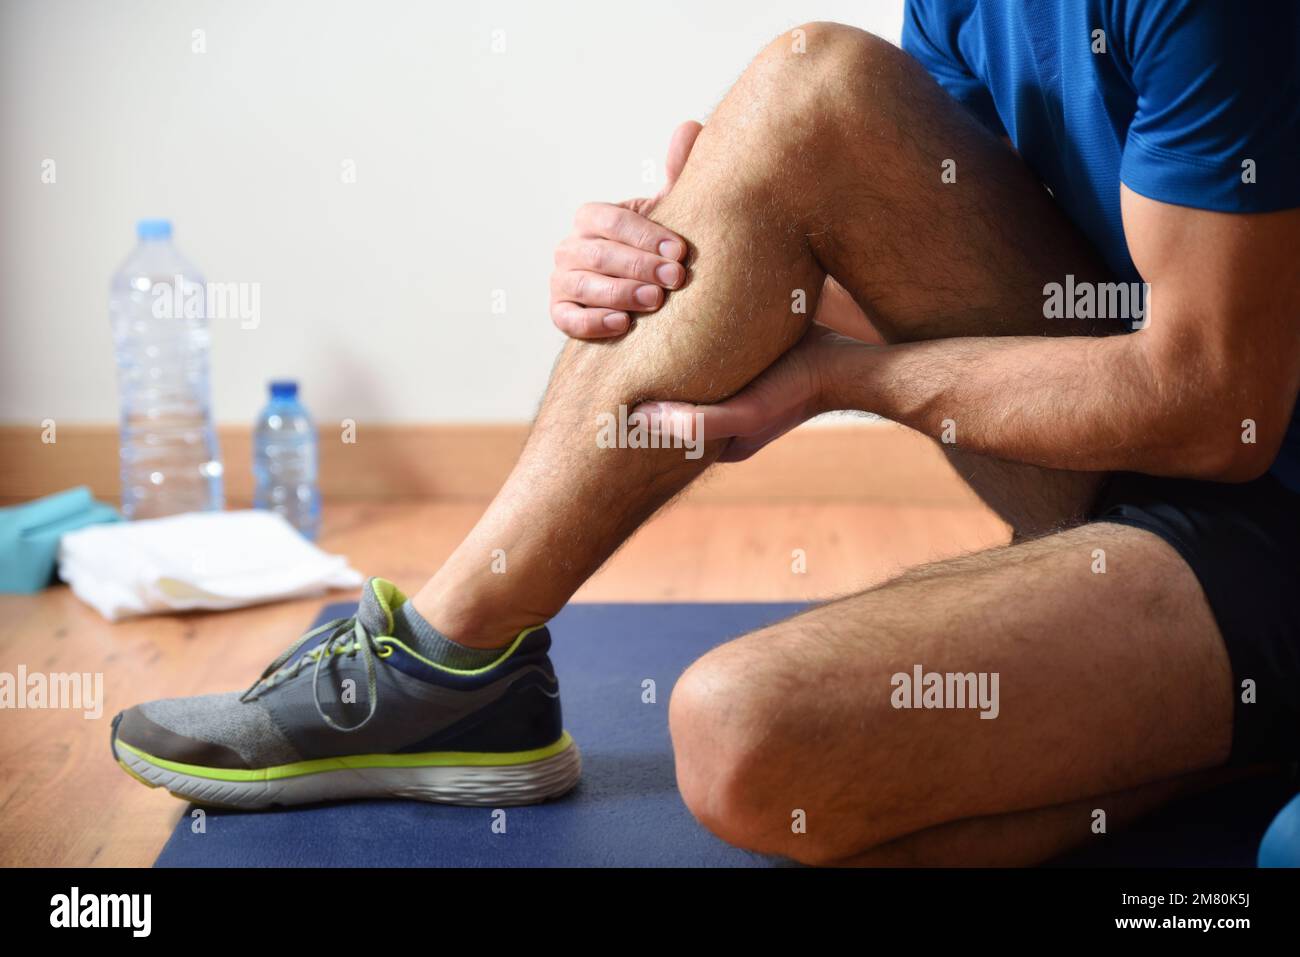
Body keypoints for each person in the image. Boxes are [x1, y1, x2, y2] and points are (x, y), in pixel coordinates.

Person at [112, 2, 1300, 865]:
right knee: (809, 86)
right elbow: (950, 277)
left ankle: (1235, 727)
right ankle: (450, 661)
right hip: (1138, 468)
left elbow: (1216, 407)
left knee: (742, 739)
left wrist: (849, 384)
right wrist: (696, 245)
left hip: (1262, 517)